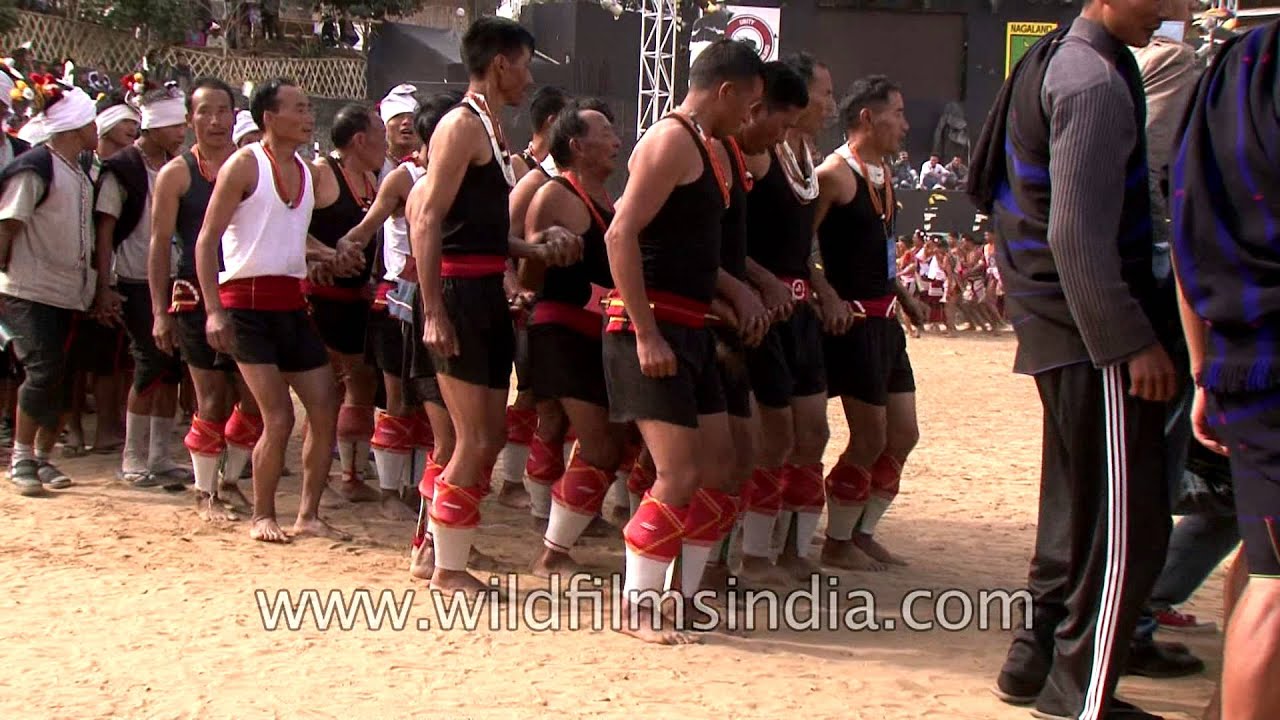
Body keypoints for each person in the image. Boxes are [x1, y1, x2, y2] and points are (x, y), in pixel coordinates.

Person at [968, 1, 1177, 717]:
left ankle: (1034, 659)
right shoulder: (1089, 79)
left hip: (1057, 322)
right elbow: (1076, 234)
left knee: (1076, 502)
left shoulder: (1055, 60)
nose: (1176, 12)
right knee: (1128, 521)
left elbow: (987, 184)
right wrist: (1128, 339)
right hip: (1092, 331)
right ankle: (1081, 691)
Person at [406, 18, 577, 595]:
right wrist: (433, 309)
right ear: (501, 63)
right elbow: (428, 219)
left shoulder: (489, 128)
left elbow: (471, 228)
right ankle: (447, 569)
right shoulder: (461, 125)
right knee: (475, 439)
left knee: (475, 437)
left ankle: (434, 555)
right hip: (457, 296)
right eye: (526, 64)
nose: (529, 78)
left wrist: (529, 248)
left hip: (480, 293)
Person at [602, 39, 763, 644]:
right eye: (747, 103)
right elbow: (621, 235)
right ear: (725, 91)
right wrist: (645, 333)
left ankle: (684, 597)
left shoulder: (713, 147)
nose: (749, 117)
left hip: (691, 328)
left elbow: (686, 248)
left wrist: (734, 290)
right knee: (677, 473)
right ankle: (637, 607)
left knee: (718, 468)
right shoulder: (670, 140)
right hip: (649, 329)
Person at [1170, 18, 1280, 720]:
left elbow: (1187, 219)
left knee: (1265, 563)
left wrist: (1204, 362)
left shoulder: (1234, 68)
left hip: (1243, 357)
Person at [195, 78, 348, 543]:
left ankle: (308, 513)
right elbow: (206, 242)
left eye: (307, 107)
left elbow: (288, 235)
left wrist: (326, 253)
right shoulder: (244, 165)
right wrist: (213, 311)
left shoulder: (304, 170)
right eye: (299, 108)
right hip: (245, 306)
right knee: (277, 415)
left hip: (290, 303)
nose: (308, 116)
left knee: (325, 407)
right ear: (270, 117)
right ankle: (263, 515)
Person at [702, 59, 810, 591]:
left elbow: (732, 249)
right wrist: (744, 288)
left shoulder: (734, 156)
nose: (782, 132)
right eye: (780, 120)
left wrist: (757, 282)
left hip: (744, 316)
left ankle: (721, 563)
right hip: (709, 323)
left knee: (750, 449)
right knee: (713, 458)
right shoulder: (696, 150)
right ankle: (712, 565)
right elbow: (644, 239)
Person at [809, 76, 918, 572]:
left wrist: (902, 294)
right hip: (851, 326)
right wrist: (826, 296)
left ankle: (863, 530)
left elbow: (881, 254)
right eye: (897, 113)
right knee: (868, 438)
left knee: (904, 435)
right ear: (868, 119)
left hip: (887, 323)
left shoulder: (884, 173)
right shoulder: (833, 174)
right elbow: (795, 250)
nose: (905, 125)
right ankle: (835, 541)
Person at [149, 77, 263, 521]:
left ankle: (231, 479)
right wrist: (159, 312)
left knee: (253, 398)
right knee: (211, 398)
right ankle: (204, 491)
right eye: (205, 111)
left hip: (244, 293)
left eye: (223, 110)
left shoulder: (247, 165)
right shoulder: (177, 173)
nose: (215, 120)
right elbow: (160, 243)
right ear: (189, 118)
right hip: (195, 297)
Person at [740, 52, 834, 583]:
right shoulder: (757, 156)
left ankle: (792, 548)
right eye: (823, 93)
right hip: (762, 313)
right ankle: (752, 553)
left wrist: (818, 286)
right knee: (766, 437)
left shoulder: (806, 154)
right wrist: (761, 280)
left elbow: (803, 248)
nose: (828, 104)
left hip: (801, 315)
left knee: (813, 432)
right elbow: (728, 238)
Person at [521, 99, 625, 576]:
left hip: (596, 334)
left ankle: (562, 537)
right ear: (577, 146)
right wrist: (547, 247)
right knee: (597, 445)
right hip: (560, 332)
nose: (616, 142)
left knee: (613, 442)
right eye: (606, 134)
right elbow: (527, 274)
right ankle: (551, 555)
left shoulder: (606, 197)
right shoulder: (555, 194)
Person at [0, 80, 99, 496]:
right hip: (28, 288)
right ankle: (23, 457)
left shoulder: (78, 172)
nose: (95, 128)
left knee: (60, 374)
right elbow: (9, 223)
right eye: (90, 121)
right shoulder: (37, 166)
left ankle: (42, 457)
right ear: (76, 126)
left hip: (66, 292)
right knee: (41, 371)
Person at [93, 83, 192, 488]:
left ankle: (160, 456)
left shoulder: (178, 167)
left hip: (175, 278)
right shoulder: (123, 170)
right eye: (175, 124)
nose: (182, 131)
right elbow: (105, 229)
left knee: (170, 368)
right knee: (148, 362)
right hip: (134, 278)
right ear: (155, 127)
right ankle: (133, 456)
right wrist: (104, 284)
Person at [303, 103, 387, 505]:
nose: (386, 144)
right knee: (326, 392)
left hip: (358, 301)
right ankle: (314, 485)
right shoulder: (320, 174)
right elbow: (291, 231)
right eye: (381, 135)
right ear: (359, 139)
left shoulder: (372, 179)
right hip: (321, 299)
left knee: (363, 384)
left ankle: (351, 475)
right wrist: (323, 258)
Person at [496, 83, 572, 518]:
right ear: (551, 124)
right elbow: (500, 239)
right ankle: (512, 482)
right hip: (530, 303)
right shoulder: (526, 174)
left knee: (548, 398)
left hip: (552, 303)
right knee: (532, 395)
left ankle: (538, 487)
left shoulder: (558, 178)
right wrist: (513, 284)